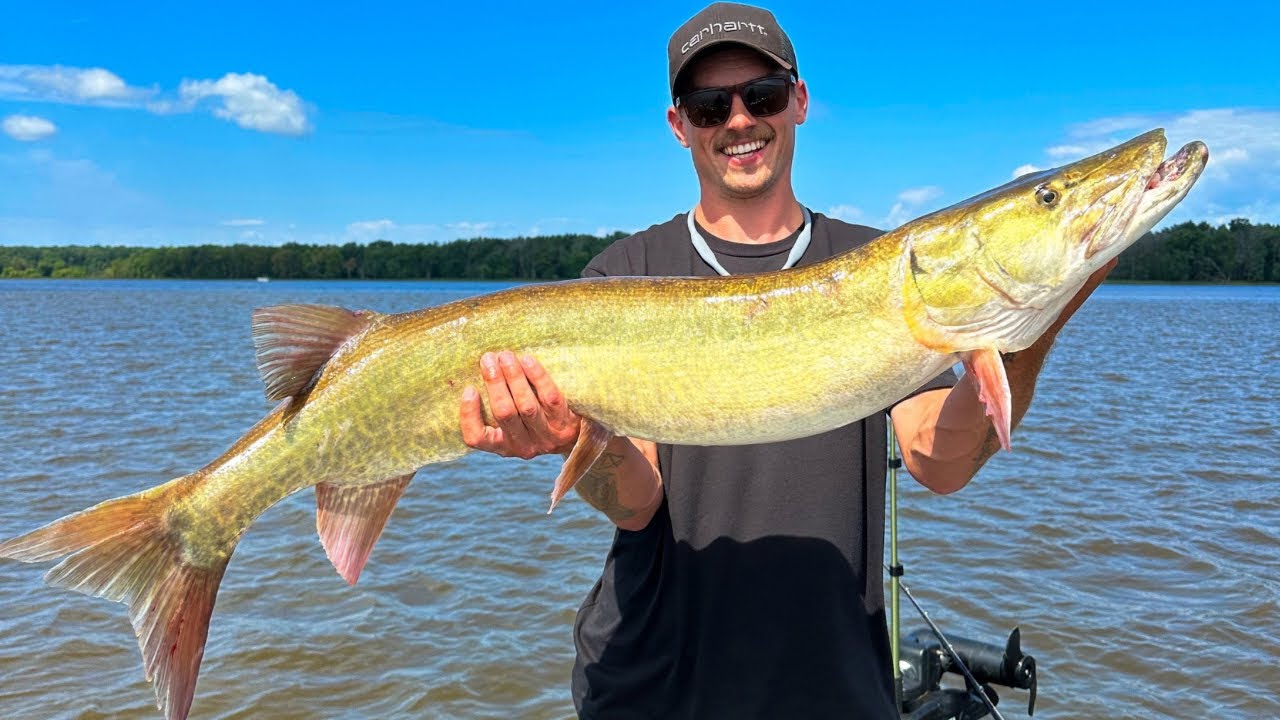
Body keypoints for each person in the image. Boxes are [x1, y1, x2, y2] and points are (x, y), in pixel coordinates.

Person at [458, 3, 1113, 717]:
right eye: (709, 106)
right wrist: (573, 440)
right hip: (652, 690)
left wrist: (1031, 328)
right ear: (679, 125)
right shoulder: (624, 274)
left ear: (799, 101)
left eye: (762, 95)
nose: (739, 120)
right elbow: (638, 501)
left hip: (833, 689)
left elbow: (940, 459)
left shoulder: (881, 268)